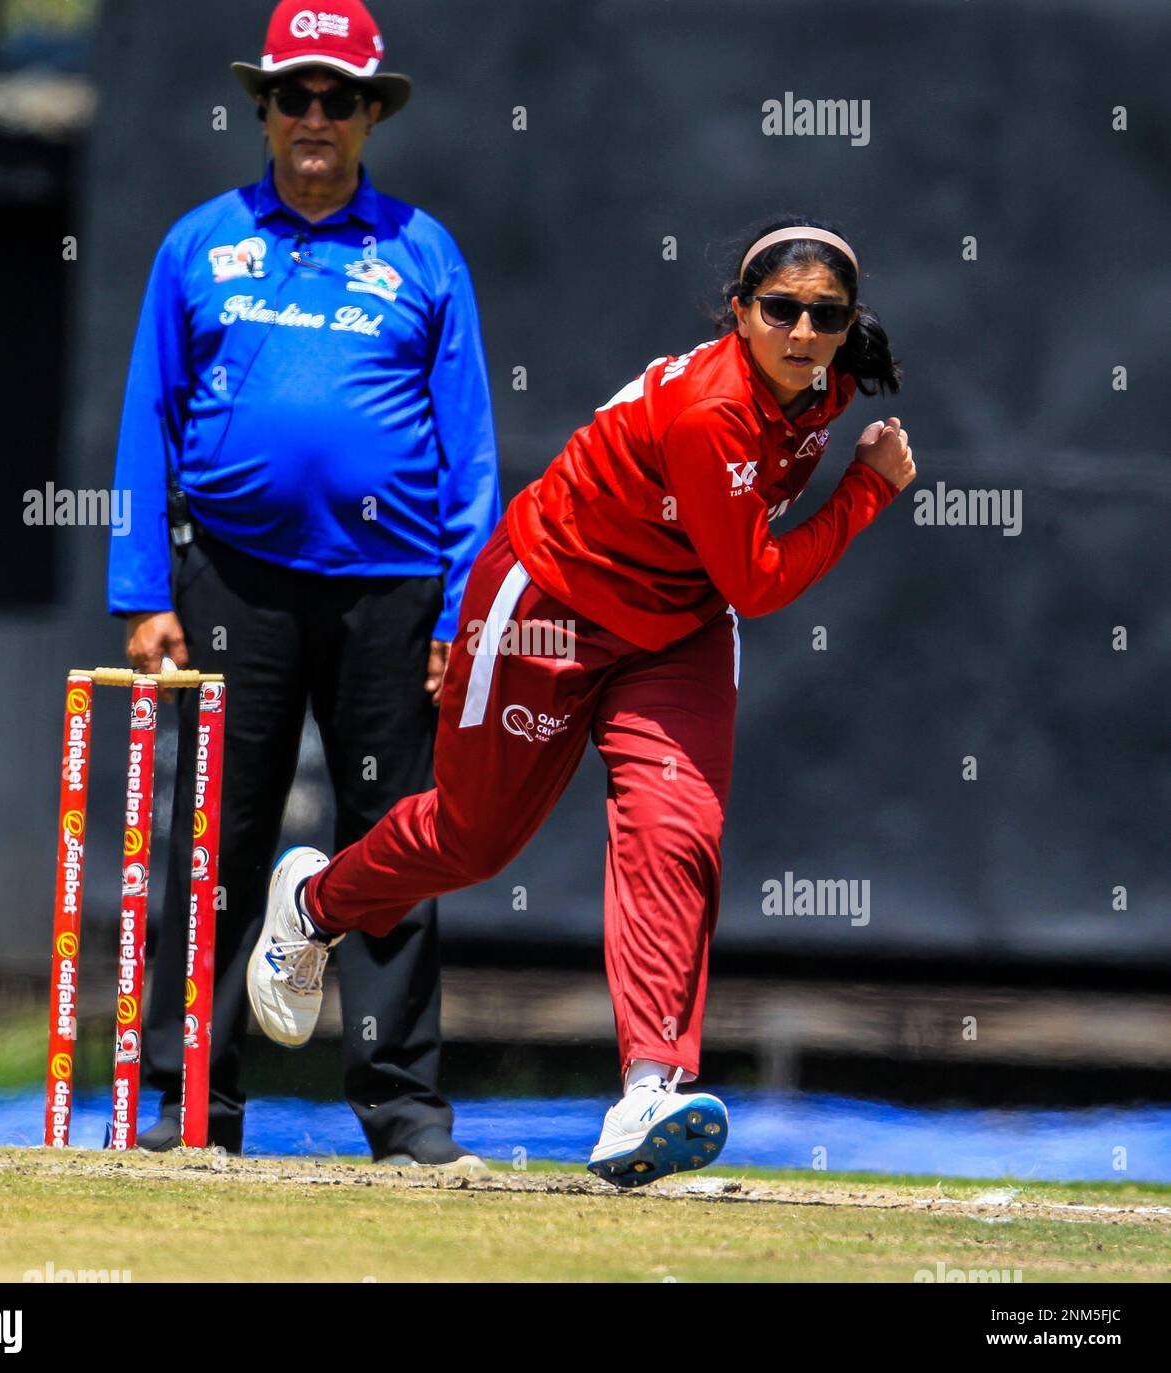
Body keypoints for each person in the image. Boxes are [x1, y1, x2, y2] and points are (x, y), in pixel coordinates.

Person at [244, 217, 915, 1186]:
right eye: (781, 310)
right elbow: (761, 580)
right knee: (474, 840)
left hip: (676, 624)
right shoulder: (709, 410)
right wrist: (863, 490)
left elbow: (732, 578)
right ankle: (313, 903)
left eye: (826, 314)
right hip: (550, 601)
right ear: (739, 311)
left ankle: (650, 1085)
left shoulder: (829, 378)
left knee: (674, 828)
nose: (803, 331)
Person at [107, 0, 500, 1165]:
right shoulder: (200, 244)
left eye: (340, 98)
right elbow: (147, 422)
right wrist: (143, 592)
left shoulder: (422, 249)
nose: (315, 116)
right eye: (295, 94)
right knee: (215, 840)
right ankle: (197, 1108)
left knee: (392, 845)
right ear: (264, 109)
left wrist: (463, 607)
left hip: (392, 591)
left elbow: (469, 448)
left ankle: (404, 1114)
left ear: (373, 113)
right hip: (233, 582)